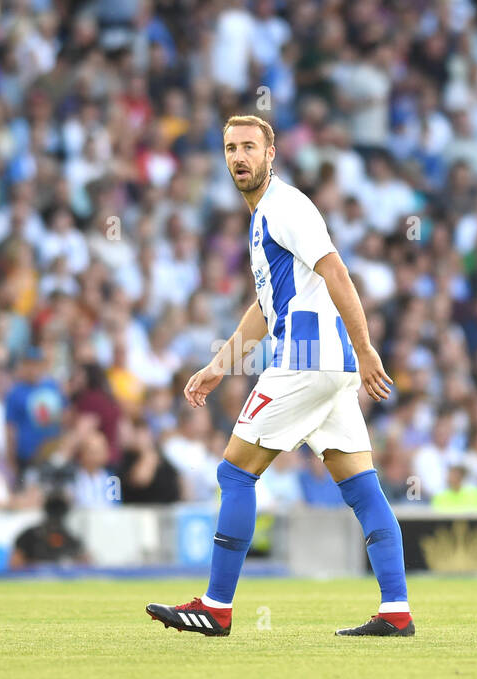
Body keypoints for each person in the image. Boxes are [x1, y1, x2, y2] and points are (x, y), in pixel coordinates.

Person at [145, 115, 411, 638]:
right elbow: (266, 310)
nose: (239, 157)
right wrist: (219, 364)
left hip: (305, 358)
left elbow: (336, 271)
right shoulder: (265, 216)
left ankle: (217, 607)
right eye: (230, 148)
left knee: (235, 473)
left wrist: (367, 348)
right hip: (327, 366)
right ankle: (396, 610)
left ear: (272, 155)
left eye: (249, 146)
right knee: (361, 489)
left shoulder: (285, 206)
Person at [9, 487, 89, 570]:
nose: (55, 517)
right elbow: (15, 564)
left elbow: (86, 563)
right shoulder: (30, 536)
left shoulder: (71, 538)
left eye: (59, 511)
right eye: (53, 510)